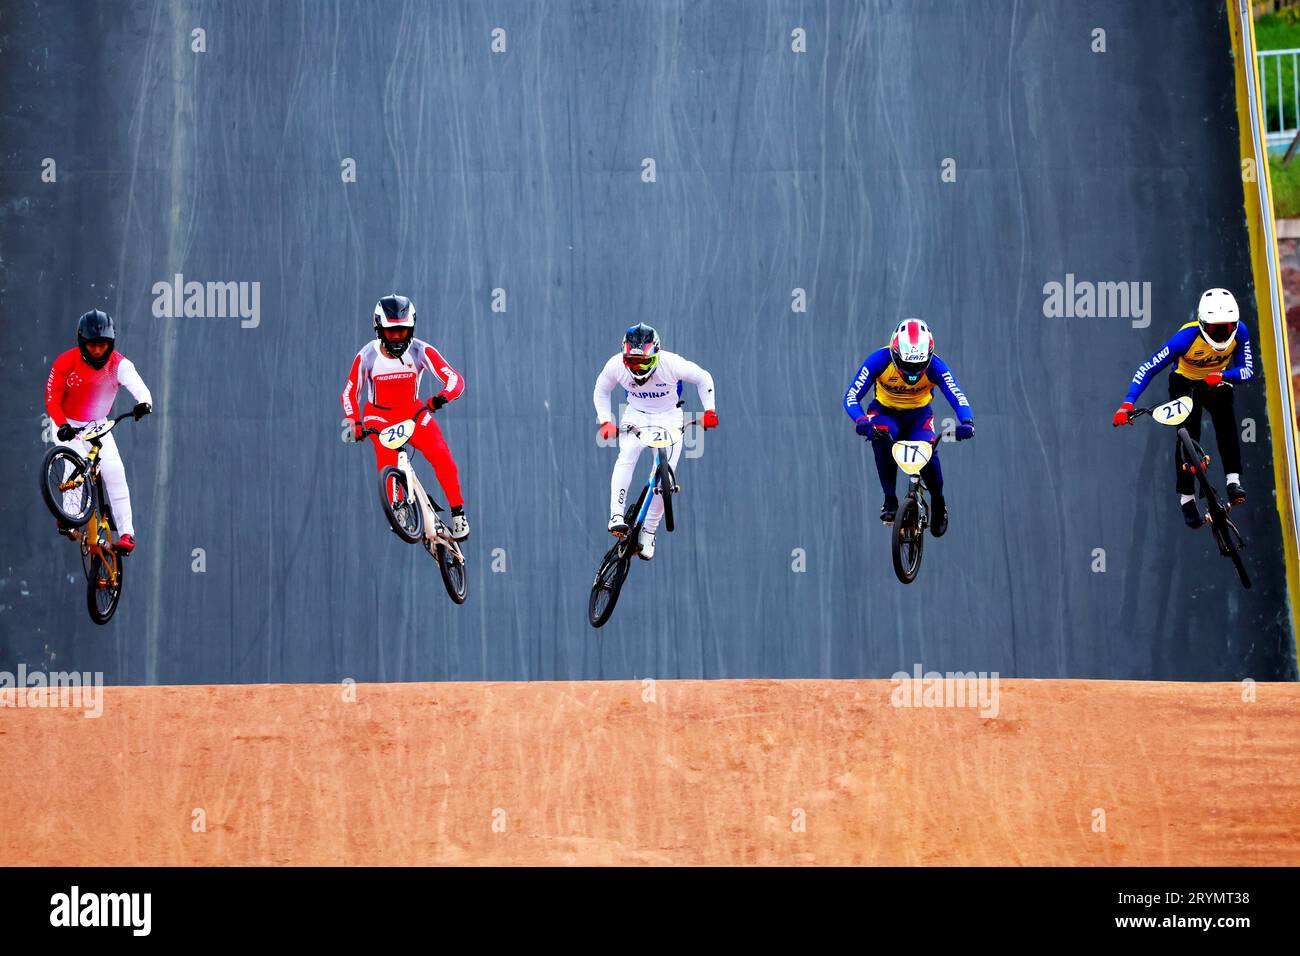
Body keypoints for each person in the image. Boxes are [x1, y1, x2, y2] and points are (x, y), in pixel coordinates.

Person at [1112, 288, 1253, 528]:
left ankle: (1233, 480)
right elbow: (1148, 367)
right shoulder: (1185, 338)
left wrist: (1222, 375)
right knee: (1186, 435)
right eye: (1215, 330)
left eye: (1226, 328)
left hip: (1217, 380)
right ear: (1202, 324)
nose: (1221, 336)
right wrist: (1128, 403)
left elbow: (1247, 370)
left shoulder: (1241, 332)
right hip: (1184, 382)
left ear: (1235, 324)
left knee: (1226, 423)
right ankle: (1186, 496)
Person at [341, 294, 470, 540]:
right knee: (386, 459)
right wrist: (354, 422)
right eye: (392, 333)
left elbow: (455, 380)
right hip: (379, 417)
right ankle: (398, 506)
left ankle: (458, 513)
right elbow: (349, 393)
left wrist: (440, 398)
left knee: (440, 454)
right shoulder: (367, 356)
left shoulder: (421, 350)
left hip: (413, 412)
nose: (398, 337)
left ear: (412, 328)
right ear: (379, 329)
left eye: (403, 331)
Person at [593, 324, 717, 560]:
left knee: (666, 478)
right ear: (623, 355)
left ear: (656, 354)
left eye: (643, 363)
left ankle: (649, 532)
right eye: (632, 362)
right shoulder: (615, 365)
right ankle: (616, 516)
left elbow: (703, 378)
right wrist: (606, 421)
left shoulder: (672, 363)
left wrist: (709, 410)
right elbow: (601, 390)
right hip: (636, 416)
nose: (637, 369)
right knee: (627, 455)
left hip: (670, 417)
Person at [843, 319, 974, 536]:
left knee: (928, 451)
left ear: (928, 357)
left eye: (918, 366)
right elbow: (851, 396)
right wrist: (861, 420)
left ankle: (939, 501)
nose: (912, 373)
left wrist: (967, 422)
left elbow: (957, 395)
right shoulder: (878, 360)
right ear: (895, 354)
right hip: (885, 412)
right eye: (906, 365)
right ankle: (890, 498)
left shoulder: (936, 367)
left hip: (918, 415)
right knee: (881, 437)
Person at [44, 309, 152, 553]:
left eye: (102, 345)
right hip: (66, 423)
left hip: (98, 425)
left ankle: (126, 534)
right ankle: (69, 517)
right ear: (83, 342)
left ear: (110, 342)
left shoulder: (119, 364)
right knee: (76, 464)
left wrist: (145, 403)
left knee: (115, 471)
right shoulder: (65, 362)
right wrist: (62, 425)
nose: (97, 350)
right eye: (92, 345)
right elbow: (52, 400)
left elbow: (139, 386)